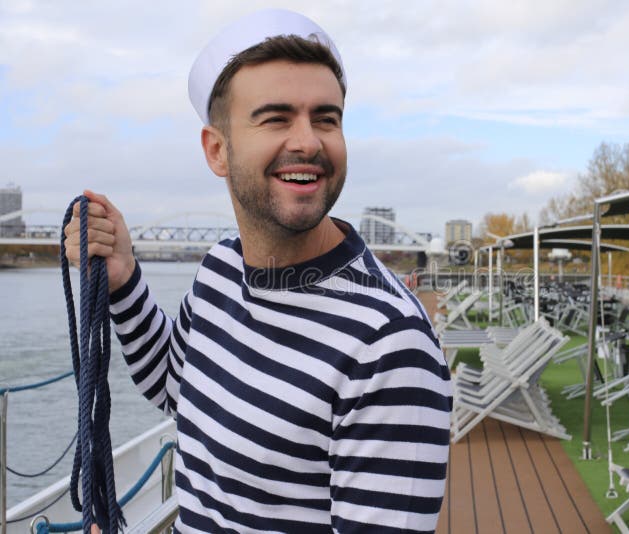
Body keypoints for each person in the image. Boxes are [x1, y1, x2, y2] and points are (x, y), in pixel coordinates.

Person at [64, 8, 451, 533]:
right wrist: (123, 279)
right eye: (276, 118)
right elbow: (175, 386)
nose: (308, 141)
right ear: (217, 150)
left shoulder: (389, 345)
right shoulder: (221, 267)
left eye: (326, 118)